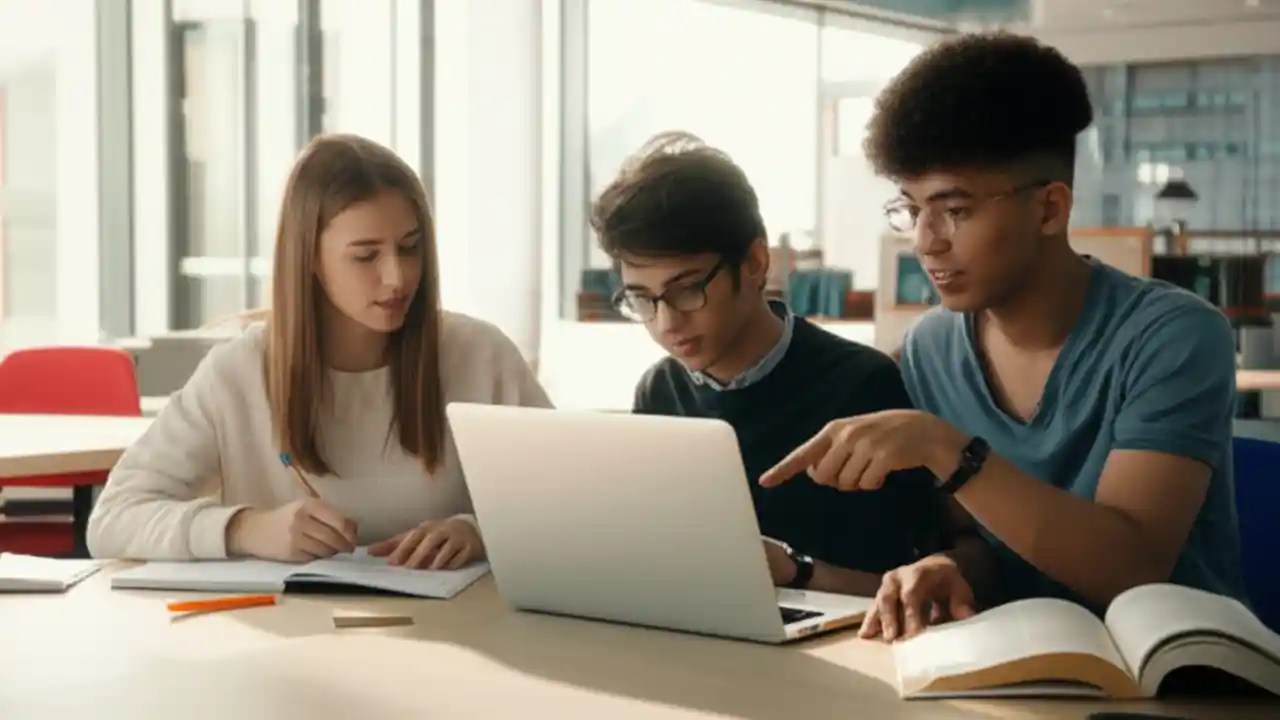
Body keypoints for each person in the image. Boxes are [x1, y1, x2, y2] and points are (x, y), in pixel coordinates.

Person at [761, 33, 1245, 640]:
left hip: (1180, 675)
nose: (925, 241)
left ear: (1049, 210)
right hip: (1015, 664)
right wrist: (951, 565)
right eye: (912, 209)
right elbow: (997, 550)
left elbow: (1131, 568)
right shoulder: (931, 350)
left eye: (955, 210)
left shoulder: (1175, 335)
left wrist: (947, 449)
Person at [88, 134, 551, 569]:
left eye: (410, 249)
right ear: (308, 257)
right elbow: (113, 519)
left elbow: (569, 500)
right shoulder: (240, 371)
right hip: (288, 641)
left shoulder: (481, 355)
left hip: (459, 637)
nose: (398, 277)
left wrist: (479, 531)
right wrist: (243, 528)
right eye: (366, 256)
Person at [593, 132, 942, 596]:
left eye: (687, 288)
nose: (666, 321)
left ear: (756, 262)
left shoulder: (862, 386)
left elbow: (919, 585)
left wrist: (796, 570)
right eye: (641, 298)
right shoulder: (660, 391)